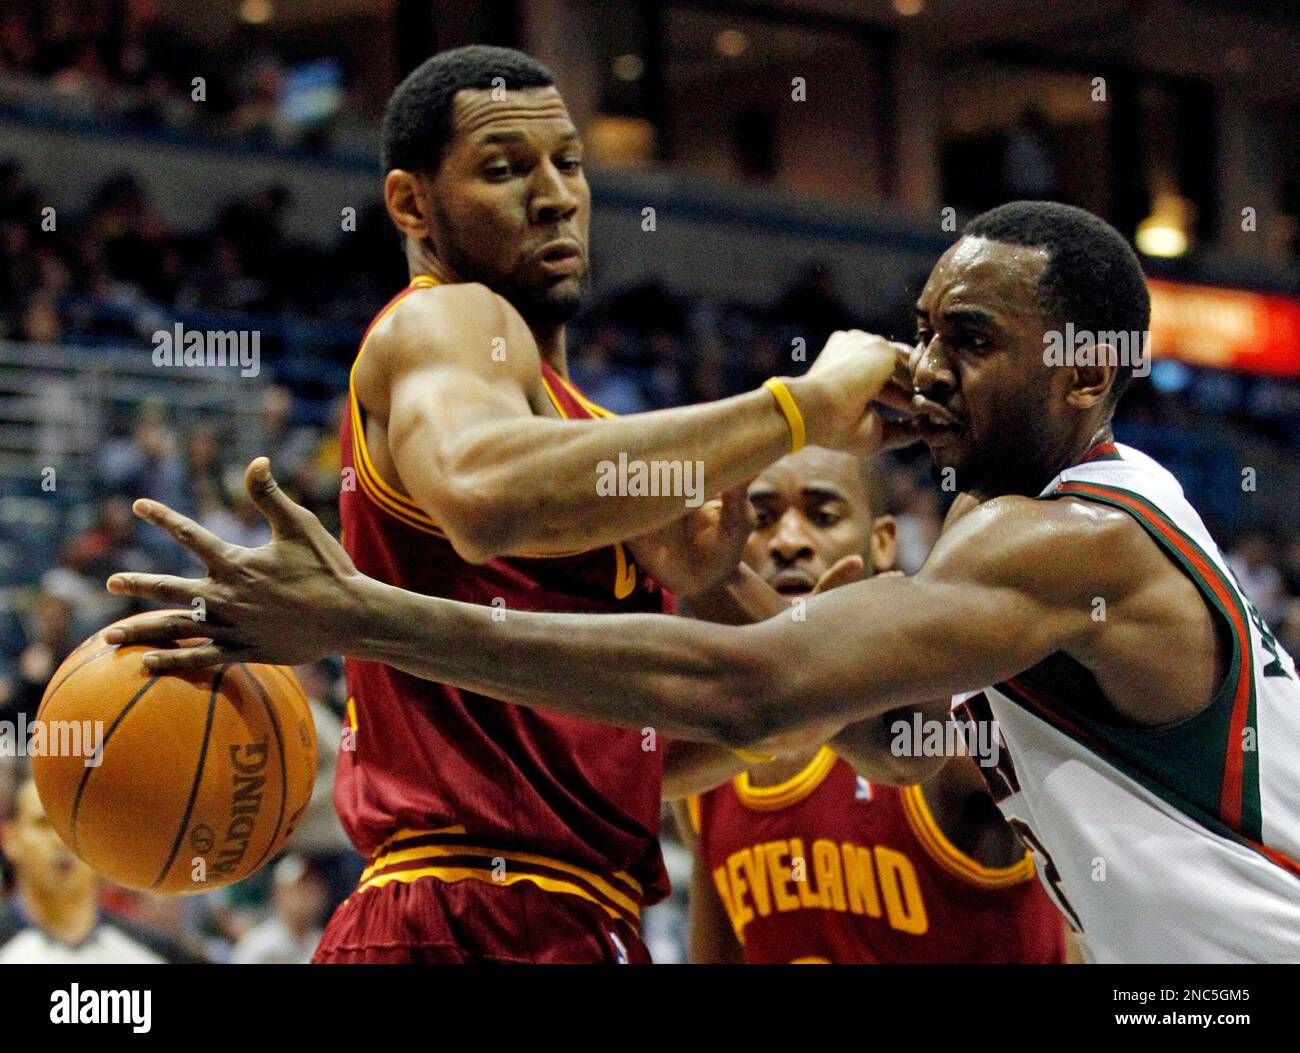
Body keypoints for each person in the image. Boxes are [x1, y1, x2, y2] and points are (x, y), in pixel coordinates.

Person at [109, 201, 1300, 963]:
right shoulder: (1029, 542)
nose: (928, 370)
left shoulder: (1080, 539)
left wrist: (358, 618)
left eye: (972, 343)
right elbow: (884, 735)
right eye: (925, 332)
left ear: (1087, 380)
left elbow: (752, 693)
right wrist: (715, 572)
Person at [110, 44, 905, 965]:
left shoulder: (599, 447)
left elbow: (767, 724)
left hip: (578, 916)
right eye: (503, 169)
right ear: (411, 204)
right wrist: (795, 407)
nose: (556, 193)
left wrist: (838, 638)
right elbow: (484, 492)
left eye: (568, 162)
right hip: (460, 911)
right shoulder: (448, 320)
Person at [674, 445, 1065, 963]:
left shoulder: (950, 715)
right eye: (761, 519)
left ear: (882, 543)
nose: (789, 542)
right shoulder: (704, 763)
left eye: (823, 516)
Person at [0, 776, 195, 964]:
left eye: (75, 825)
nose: (61, 841)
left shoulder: (156, 952)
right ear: (9, 839)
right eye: (44, 824)